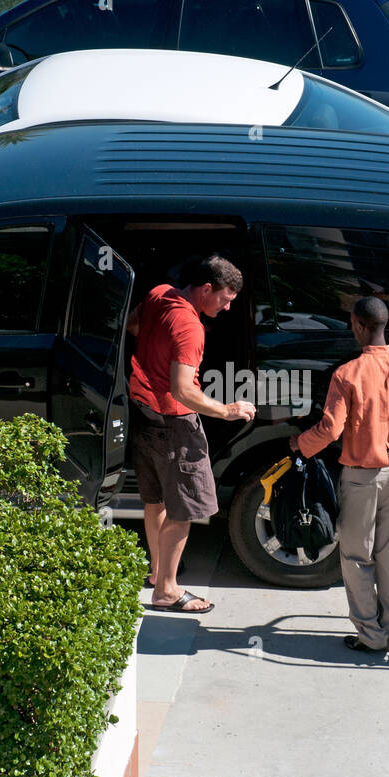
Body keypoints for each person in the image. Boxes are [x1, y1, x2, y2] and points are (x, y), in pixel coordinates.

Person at [291, 295, 389, 652]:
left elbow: (330, 430)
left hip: (360, 478)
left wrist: (300, 444)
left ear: (358, 325)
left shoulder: (347, 374)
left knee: (357, 557)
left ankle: (370, 636)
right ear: (385, 324)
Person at [128, 254, 256, 614]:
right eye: (225, 299)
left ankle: (157, 573)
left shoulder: (159, 294)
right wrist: (228, 410)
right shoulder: (190, 327)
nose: (228, 308)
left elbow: (133, 325)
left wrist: (156, 350)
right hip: (174, 424)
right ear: (205, 289)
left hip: (143, 412)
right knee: (185, 510)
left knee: (155, 502)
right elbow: (183, 390)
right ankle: (167, 591)